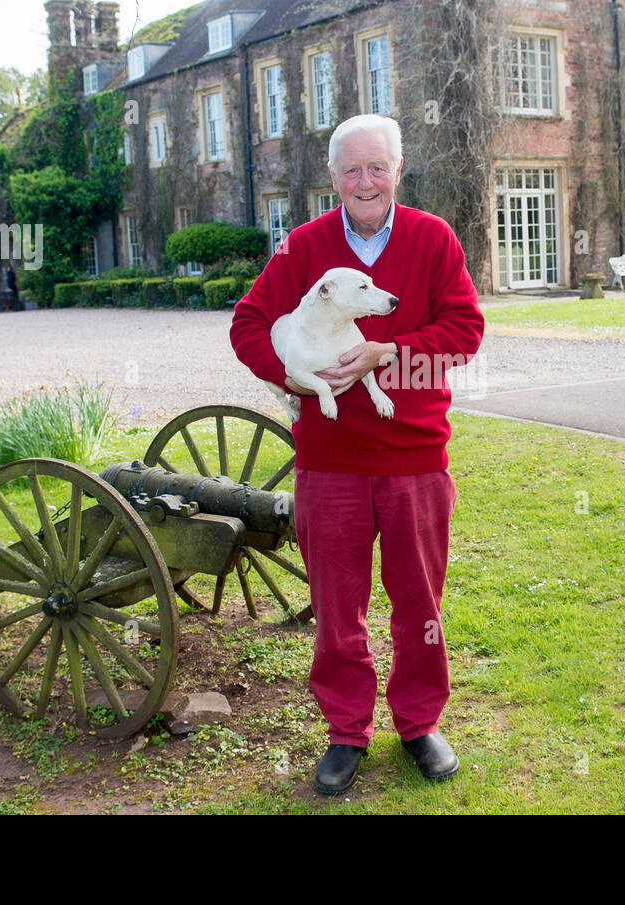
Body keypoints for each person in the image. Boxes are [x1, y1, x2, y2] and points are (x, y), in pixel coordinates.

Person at [229, 114, 484, 795]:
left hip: (415, 458)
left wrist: (388, 353)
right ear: (334, 177)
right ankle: (347, 732)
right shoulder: (304, 249)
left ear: (399, 170)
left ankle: (419, 724)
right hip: (330, 462)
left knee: (418, 603)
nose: (365, 181)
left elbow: (464, 331)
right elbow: (249, 324)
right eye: (351, 169)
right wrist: (292, 376)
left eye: (378, 167)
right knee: (338, 606)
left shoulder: (433, 239)